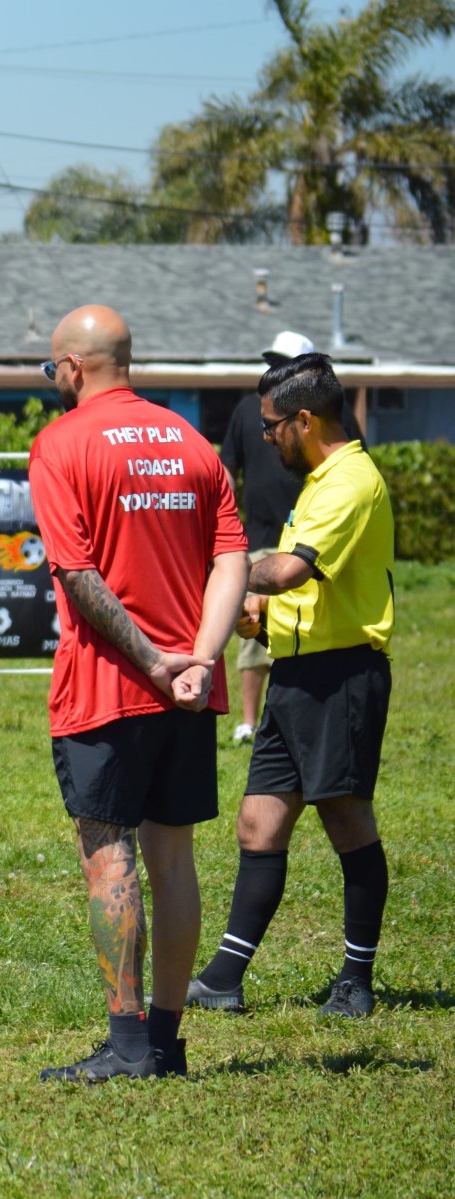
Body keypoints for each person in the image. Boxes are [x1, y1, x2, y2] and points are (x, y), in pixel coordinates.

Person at [28, 304, 248, 1082]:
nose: (51, 379)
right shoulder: (191, 442)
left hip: (110, 684)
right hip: (190, 686)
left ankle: (126, 1047)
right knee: (174, 856)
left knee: (108, 849)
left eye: (51, 367)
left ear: (75, 367)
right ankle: (165, 1040)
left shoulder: (61, 443)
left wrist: (152, 662)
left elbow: (78, 575)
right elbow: (234, 558)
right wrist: (199, 658)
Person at [188, 353, 395, 1020]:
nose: (268, 437)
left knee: (346, 818)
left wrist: (219, 569)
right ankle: (224, 978)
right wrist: (264, 616)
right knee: (259, 823)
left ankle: (356, 979)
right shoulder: (321, 480)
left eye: (274, 426)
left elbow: (287, 572)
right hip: (299, 673)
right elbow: (298, 589)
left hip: (341, 677)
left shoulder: (349, 482)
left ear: (306, 421)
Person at [220, 332, 314, 745]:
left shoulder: (326, 415)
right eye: (274, 361)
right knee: (254, 632)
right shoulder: (247, 410)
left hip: (310, 540)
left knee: (304, 631)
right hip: (258, 536)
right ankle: (248, 722)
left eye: (287, 363)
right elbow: (228, 470)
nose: (278, 370)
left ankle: (301, 719)